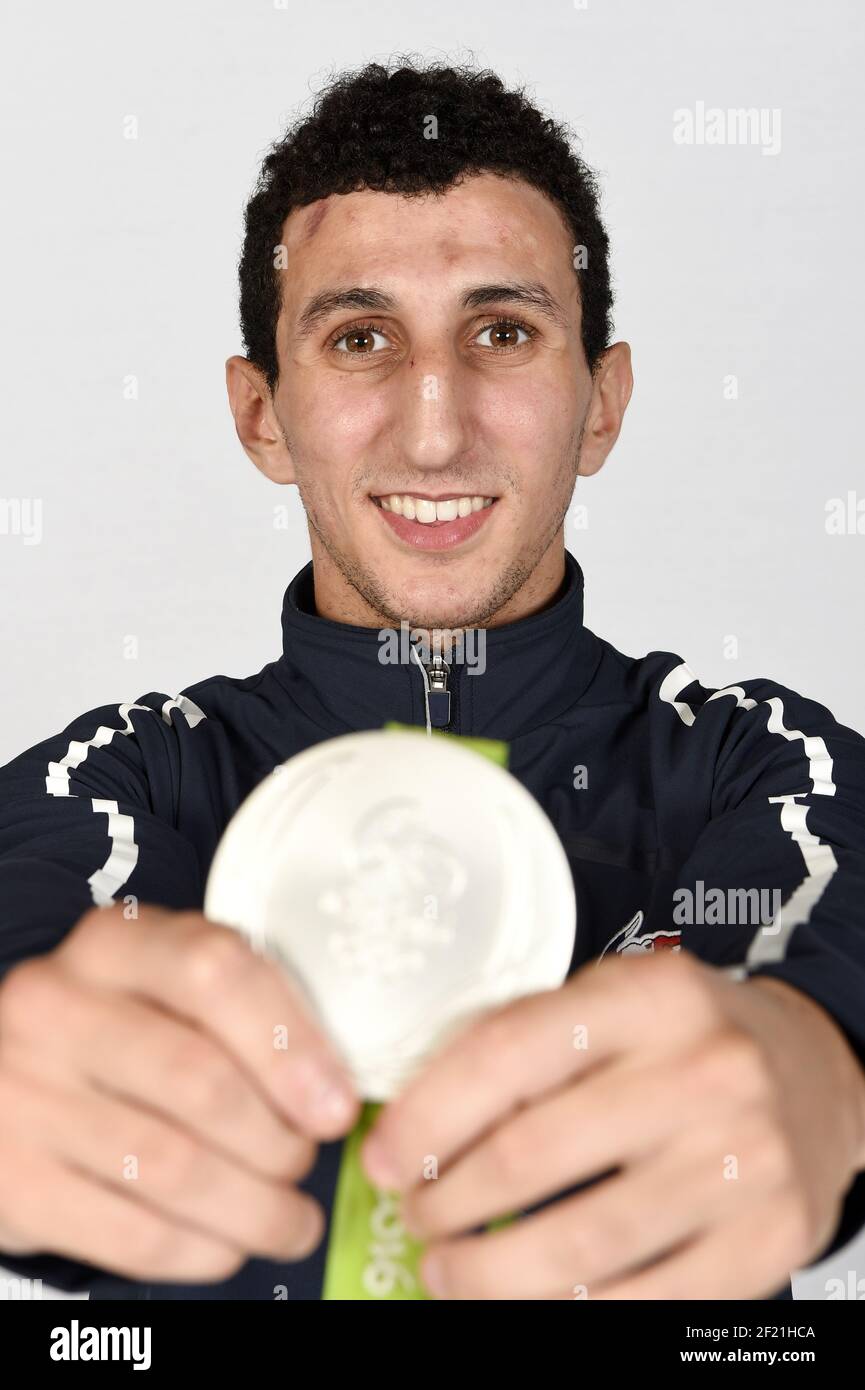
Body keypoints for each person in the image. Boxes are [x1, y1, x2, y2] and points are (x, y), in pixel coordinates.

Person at [1, 58, 864, 1302]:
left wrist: (825, 1063)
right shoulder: (133, 778)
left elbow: (845, 903)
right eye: (360, 339)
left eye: (501, 332)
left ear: (601, 404)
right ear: (260, 415)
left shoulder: (755, 762)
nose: (434, 427)